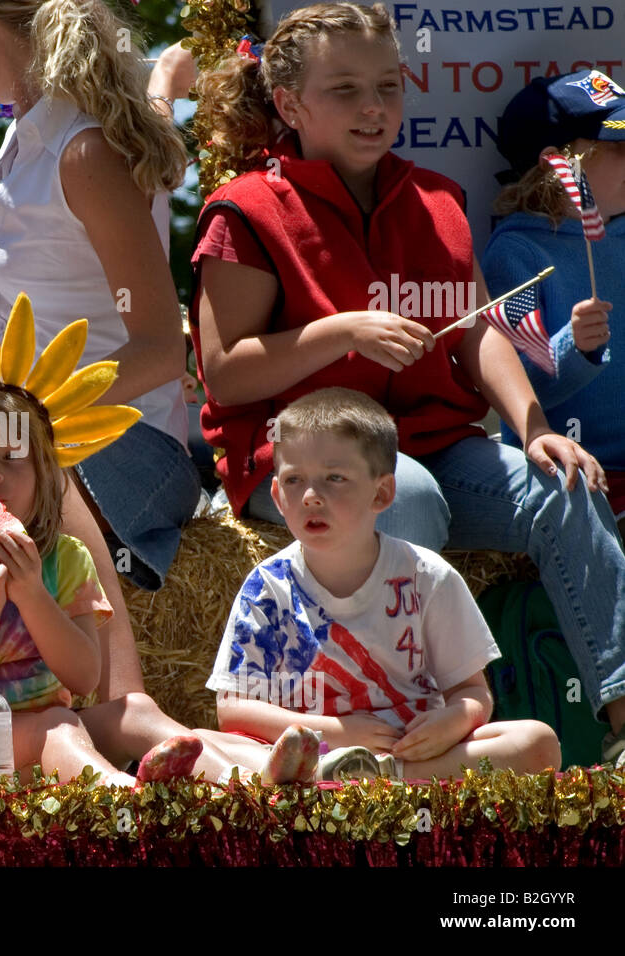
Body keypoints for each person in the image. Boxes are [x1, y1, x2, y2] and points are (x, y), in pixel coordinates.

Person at [189, 1, 625, 766]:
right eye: (347, 89)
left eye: (389, 87)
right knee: (410, 495)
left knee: (566, 483)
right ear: (289, 104)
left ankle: (622, 719)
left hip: (435, 439)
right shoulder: (246, 210)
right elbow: (225, 373)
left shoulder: (435, 200)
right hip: (298, 460)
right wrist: (343, 331)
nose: (374, 107)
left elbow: (481, 329)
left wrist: (533, 429)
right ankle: (395, 742)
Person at [0, 0, 199, 705]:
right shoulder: (30, 132)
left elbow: (159, 347)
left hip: (124, 446)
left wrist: (39, 417)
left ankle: (126, 704)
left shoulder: (81, 149)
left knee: (11, 475)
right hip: (44, 432)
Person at [0, 370, 204, 786]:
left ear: (43, 473)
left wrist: (32, 596)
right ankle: (120, 797)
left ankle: (245, 779)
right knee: (59, 727)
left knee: (135, 709)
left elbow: (84, 678)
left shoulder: (67, 558)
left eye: (11, 457)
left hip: (50, 728)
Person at [207, 388, 560, 780]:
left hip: (405, 753)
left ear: (383, 492)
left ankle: (378, 778)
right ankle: (321, 773)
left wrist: (451, 723)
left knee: (536, 741)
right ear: (276, 495)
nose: (310, 496)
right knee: (204, 743)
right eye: (293, 480)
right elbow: (233, 708)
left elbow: (473, 694)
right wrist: (336, 734)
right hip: (308, 751)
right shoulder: (266, 587)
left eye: (334, 478)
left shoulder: (428, 577)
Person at [483, 70, 625, 535]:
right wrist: (574, 347)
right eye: (618, 148)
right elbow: (517, 393)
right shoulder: (517, 253)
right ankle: (520, 609)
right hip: (584, 469)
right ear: (558, 166)